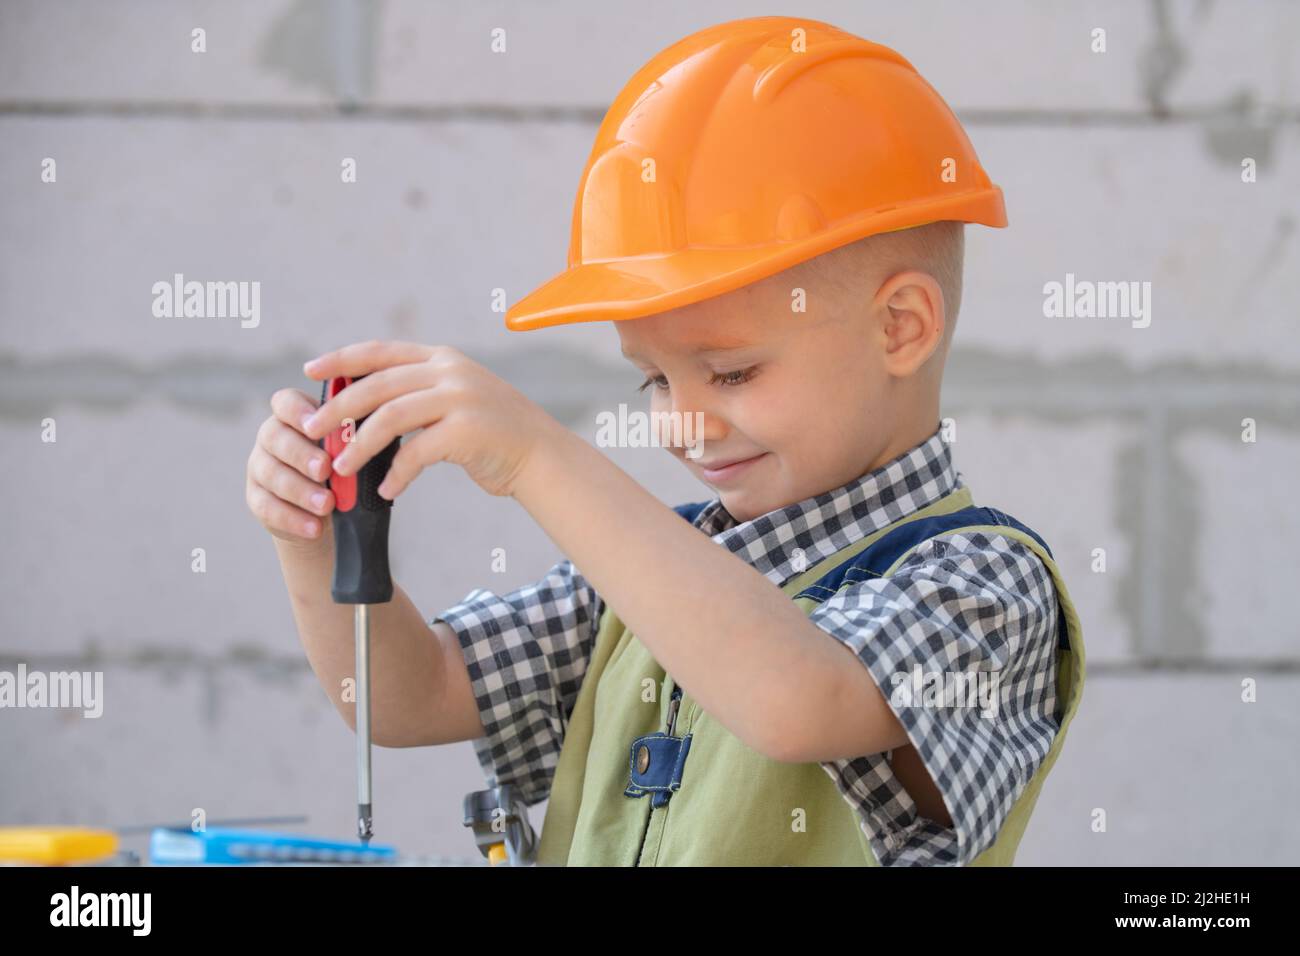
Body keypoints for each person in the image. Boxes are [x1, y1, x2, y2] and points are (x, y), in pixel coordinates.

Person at [245, 16, 1084, 866]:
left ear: (900, 328)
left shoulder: (983, 586)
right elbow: (406, 695)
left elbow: (792, 697)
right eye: (652, 379)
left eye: (731, 374)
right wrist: (310, 536)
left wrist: (539, 456)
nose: (680, 423)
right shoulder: (643, 578)